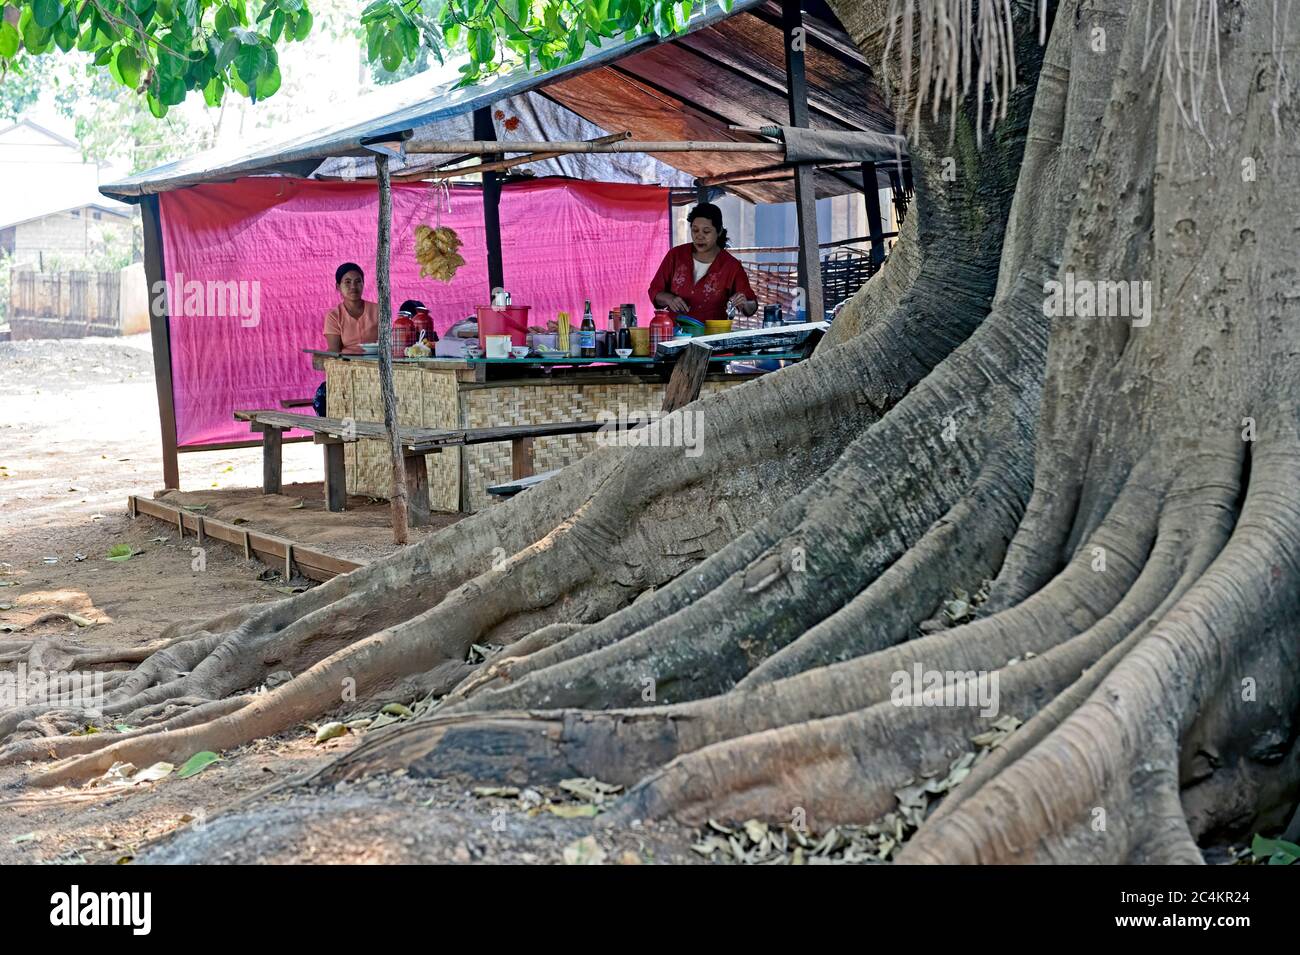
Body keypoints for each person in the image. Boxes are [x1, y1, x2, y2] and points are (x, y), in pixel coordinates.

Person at [648, 203, 758, 323]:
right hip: (675, 336)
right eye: (695, 230)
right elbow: (655, 290)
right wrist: (669, 299)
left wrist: (745, 303)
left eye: (706, 231)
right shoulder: (676, 255)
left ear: (719, 231)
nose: (699, 236)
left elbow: (751, 308)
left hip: (710, 337)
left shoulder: (731, 266)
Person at [323, 262, 379, 352]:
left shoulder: (378, 310)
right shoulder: (334, 316)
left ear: (363, 284)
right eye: (347, 282)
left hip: (376, 363)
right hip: (347, 364)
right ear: (338, 286)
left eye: (358, 281)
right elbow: (334, 350)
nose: (353, 286)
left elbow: (388, 342)